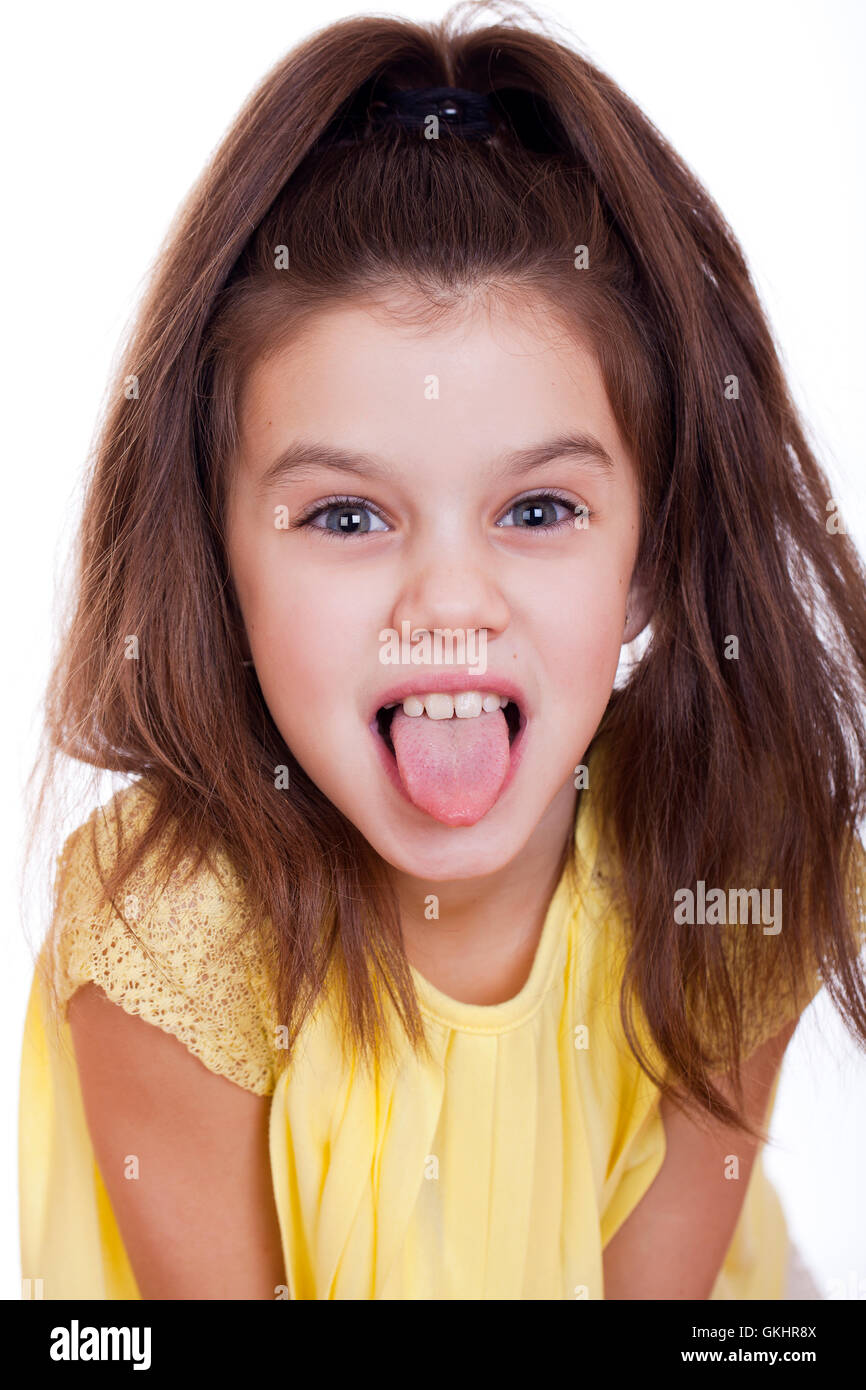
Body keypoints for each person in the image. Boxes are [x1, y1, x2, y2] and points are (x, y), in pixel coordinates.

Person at [18, 0, 866, 1300]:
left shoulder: (729, 866)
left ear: (650, 551)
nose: (449, 601)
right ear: (219, 558)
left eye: (536, 510)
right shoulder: (170, 942)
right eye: (347, 516)